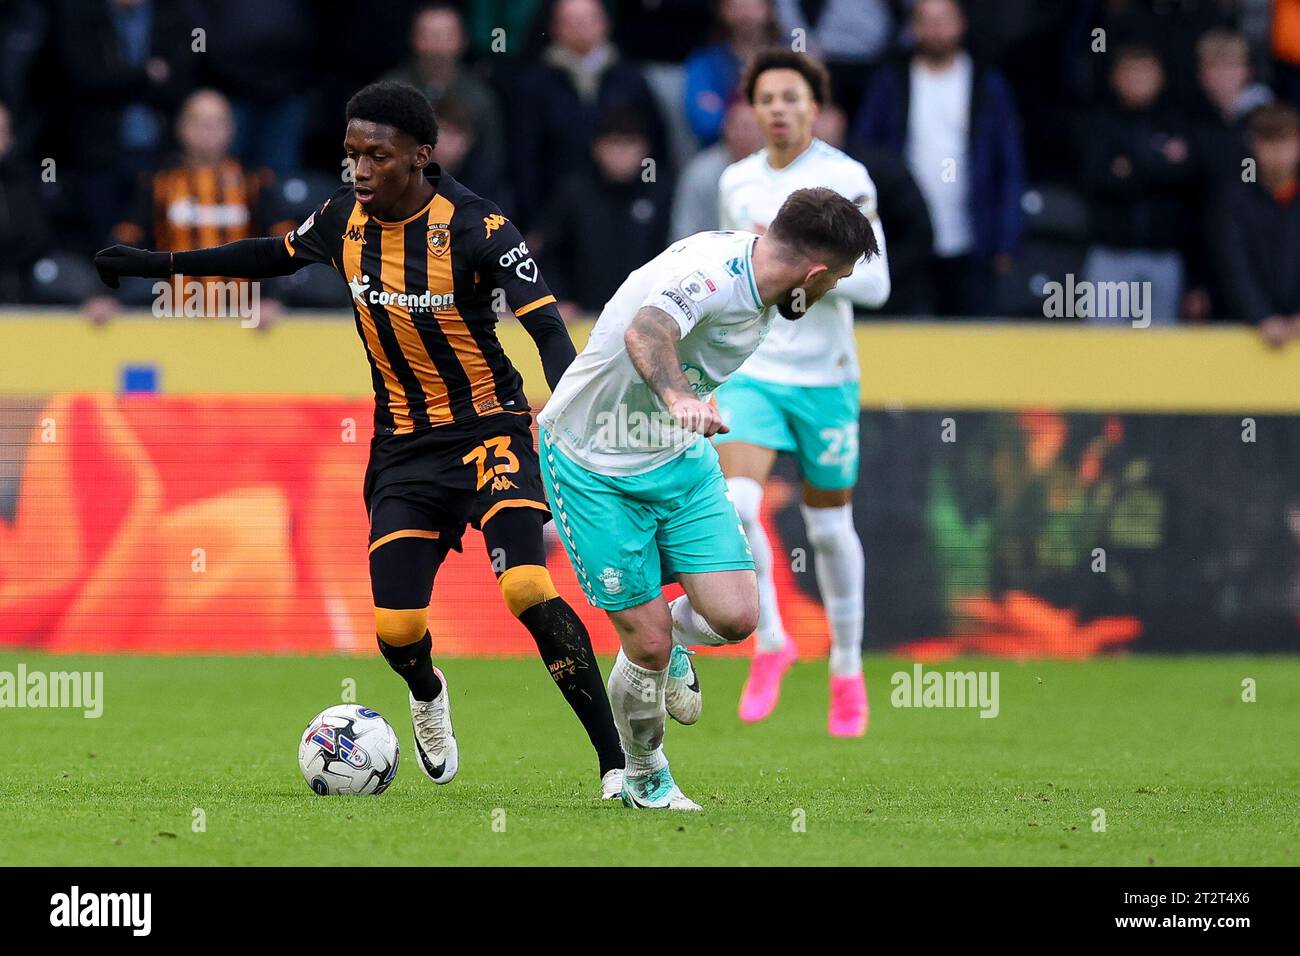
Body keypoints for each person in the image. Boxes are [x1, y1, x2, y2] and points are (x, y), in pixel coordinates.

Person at [92, 81, 627, 799]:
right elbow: (268, 256)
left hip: (488, 430)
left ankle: (617, 763)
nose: (361, 171)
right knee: (398, 628)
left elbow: (549, 330)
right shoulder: (343, 217)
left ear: (422, 156)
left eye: (378, 156)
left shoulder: (479, 228)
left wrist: (573, 412)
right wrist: (160, 266)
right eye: (351, 155)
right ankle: (428, 694)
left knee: (527, 586)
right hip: (404, 450)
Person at [537, 188, 878, 809]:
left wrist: (689, 405)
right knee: (643, 642)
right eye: (837, 282)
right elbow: (648, 331)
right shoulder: (713, 278)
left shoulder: (766, 284)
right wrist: (677, 399)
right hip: (593, 461)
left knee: (736, 618)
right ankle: (643, 774)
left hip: (677, 459)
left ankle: (668, 644)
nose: (831, 294)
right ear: (816, 273)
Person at [715, 51, 889, 736]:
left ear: (816, 108)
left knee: (828, 528)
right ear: (752, 109)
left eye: (792, 97)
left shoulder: (848, 179)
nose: (779, 109)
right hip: (757, 368)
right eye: (767, 99)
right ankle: (775, 641)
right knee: (738, 502)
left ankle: (846, 667)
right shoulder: (736, 182)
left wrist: (806, 266)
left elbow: (877, 284)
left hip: (828, 378)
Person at [852, 0, 1024, 317]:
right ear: (913, 28)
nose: (936, 30)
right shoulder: (892, 81)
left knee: (972, 336)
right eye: (926, 21)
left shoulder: (988, 84)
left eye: (944, 20)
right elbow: (865, 153)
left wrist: (1006, 239)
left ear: (961, 24)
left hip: (972, 237)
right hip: (903, 237)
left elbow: (1008, 166)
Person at [82, 89, 280, 325]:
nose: (208, 130)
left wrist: (272, 298)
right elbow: (127, 240)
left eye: (218, 122)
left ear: (231, 129)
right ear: (181, 128)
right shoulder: (159, 182)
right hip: (175, 317)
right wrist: (104, 295)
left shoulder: (254, 181)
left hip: (245, 318)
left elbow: (283, 243)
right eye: (199, 121)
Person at [1079, 44, 1196, 324]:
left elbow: (1186, 176)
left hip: (1163, 256)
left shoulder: (1178, 120)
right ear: (1115, 78)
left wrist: (1132, 167)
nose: (1138, 81)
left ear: (1161, 78)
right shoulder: (1100, 122)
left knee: (1160, 354)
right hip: (1111, 254)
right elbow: (1097, 178)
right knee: (1100, 348)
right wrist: (1159, 163)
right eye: (1131, 73)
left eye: (1146, 73)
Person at [529, 109, 671, 317]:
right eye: (614, 143)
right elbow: (549, 254)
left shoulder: (658, 193)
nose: (621, 153)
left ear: (645, 149)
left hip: (643, 315)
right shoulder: (574, 193)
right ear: (597, 147)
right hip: (580, 317)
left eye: (630, 143)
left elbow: (669, 251)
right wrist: (558, 298)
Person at [1214, 103, 1300, 347]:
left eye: (1285, 142)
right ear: (1255, 146)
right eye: (1269, 143)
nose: (1278, 153)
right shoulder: (1237, 197)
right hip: (1246, 328)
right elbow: (1234, 262)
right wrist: (1261, 316)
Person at [682, 0, 778, 146]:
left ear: (769, 7)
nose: (746, 13)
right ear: (722, 10)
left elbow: (811, 115)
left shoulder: (791, 58)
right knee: (701, 169)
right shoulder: (705, 62)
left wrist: (728, 112)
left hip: (786, 148)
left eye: (753, 5)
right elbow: (704, 122)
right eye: (736, 6)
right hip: (726, 149)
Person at [670, 100, 763, 241]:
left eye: (751, 127)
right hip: (706, 255)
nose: (743, 135)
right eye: (738, 127)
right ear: (725, 129)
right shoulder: (702, 172)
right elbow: (684, 229)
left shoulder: (777, 171)